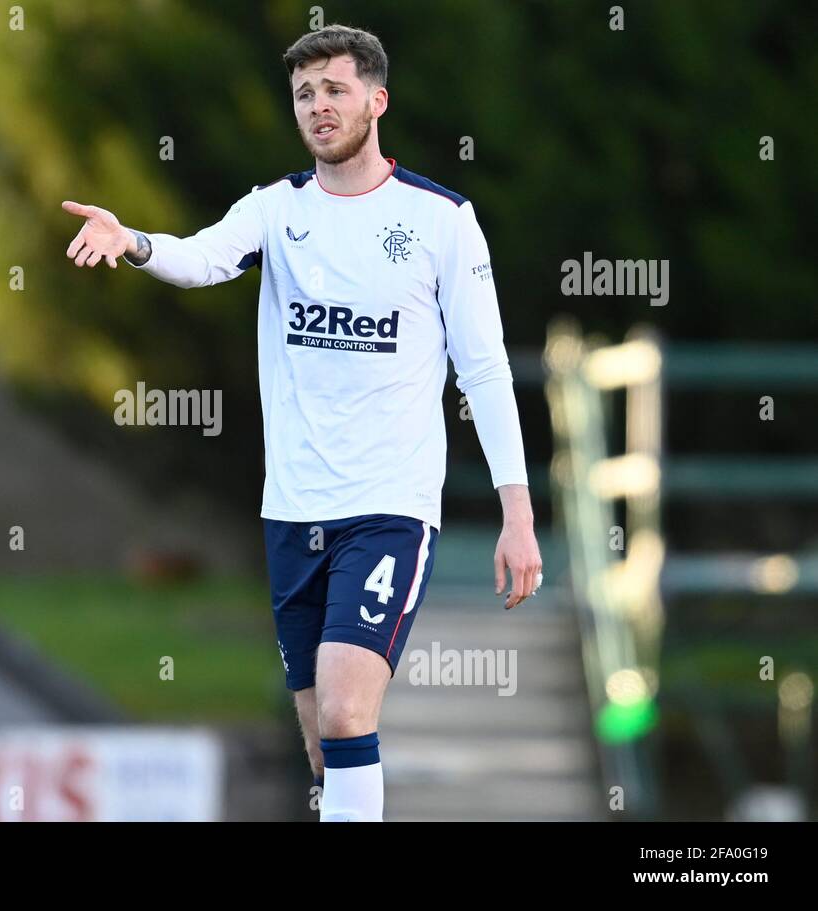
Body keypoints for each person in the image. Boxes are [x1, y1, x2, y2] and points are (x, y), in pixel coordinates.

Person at [60, 24, 542, 821]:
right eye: (305, 95)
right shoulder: (275, 211)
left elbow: (484, 369)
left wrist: (516, 513)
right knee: (324, 741)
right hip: (292, 511)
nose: (319, 108)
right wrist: (134, 241)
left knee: (351, 713)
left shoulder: (441, 220)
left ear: (376, 101)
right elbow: (203, 257)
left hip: (388, 508)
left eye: (335, 91)